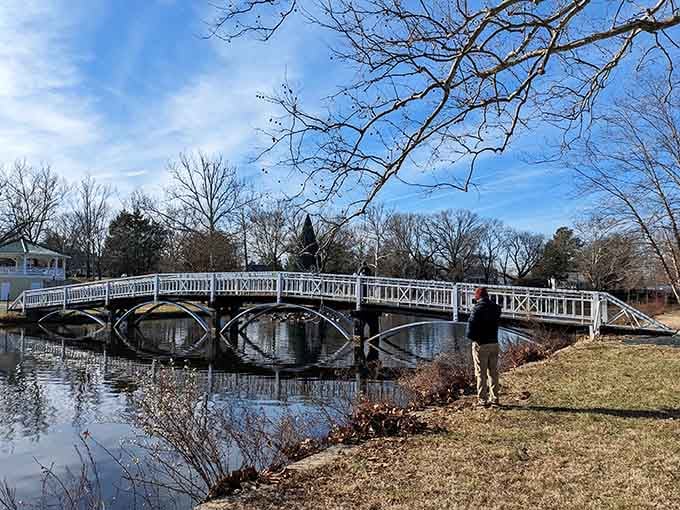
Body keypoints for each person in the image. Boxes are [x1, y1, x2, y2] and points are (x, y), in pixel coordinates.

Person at [466, 287, 502, 408]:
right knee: (493, 372)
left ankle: (482, 400)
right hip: (494, 343)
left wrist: (474, 339)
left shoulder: (477, 309)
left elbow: (470, 328)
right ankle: (495, 399)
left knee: (480, 373)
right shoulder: (496, 308)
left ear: (477, 297)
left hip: (481, 344)